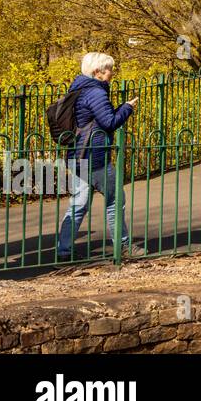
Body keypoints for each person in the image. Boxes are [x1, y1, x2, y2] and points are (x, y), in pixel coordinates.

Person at [56, 53, 140, 260]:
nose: (112, 73)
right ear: (98, 72)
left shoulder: (77, 88)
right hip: (95, 156)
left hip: (78, 154)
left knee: (79, 203)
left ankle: (63, 252)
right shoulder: (95, 93)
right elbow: (109, 122)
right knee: (115, 200)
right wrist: (127, 108)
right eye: (109, 69)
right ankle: (124, 247)